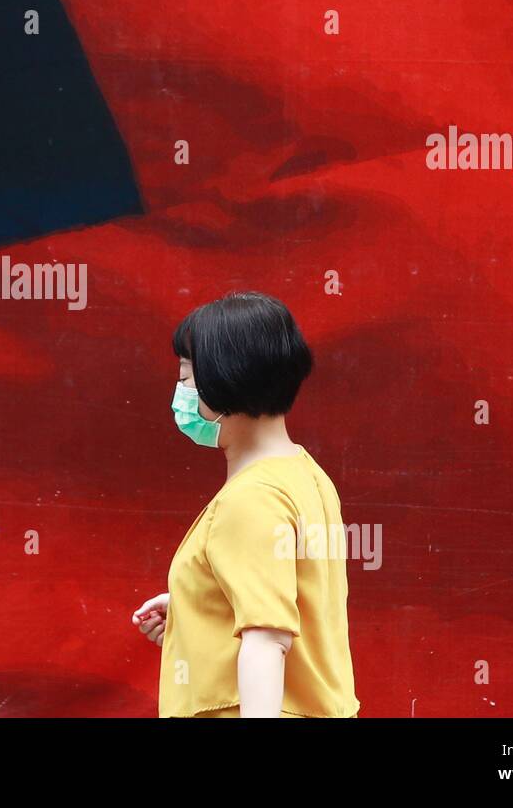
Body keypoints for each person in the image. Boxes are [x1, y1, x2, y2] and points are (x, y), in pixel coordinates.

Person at [132, 292, 359, 718]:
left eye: (186, 376)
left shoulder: (251, 499)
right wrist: (197, 603)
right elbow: (294, 603)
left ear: (226, 379)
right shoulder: (307, 477)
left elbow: (267, 639)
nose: (180, 392)